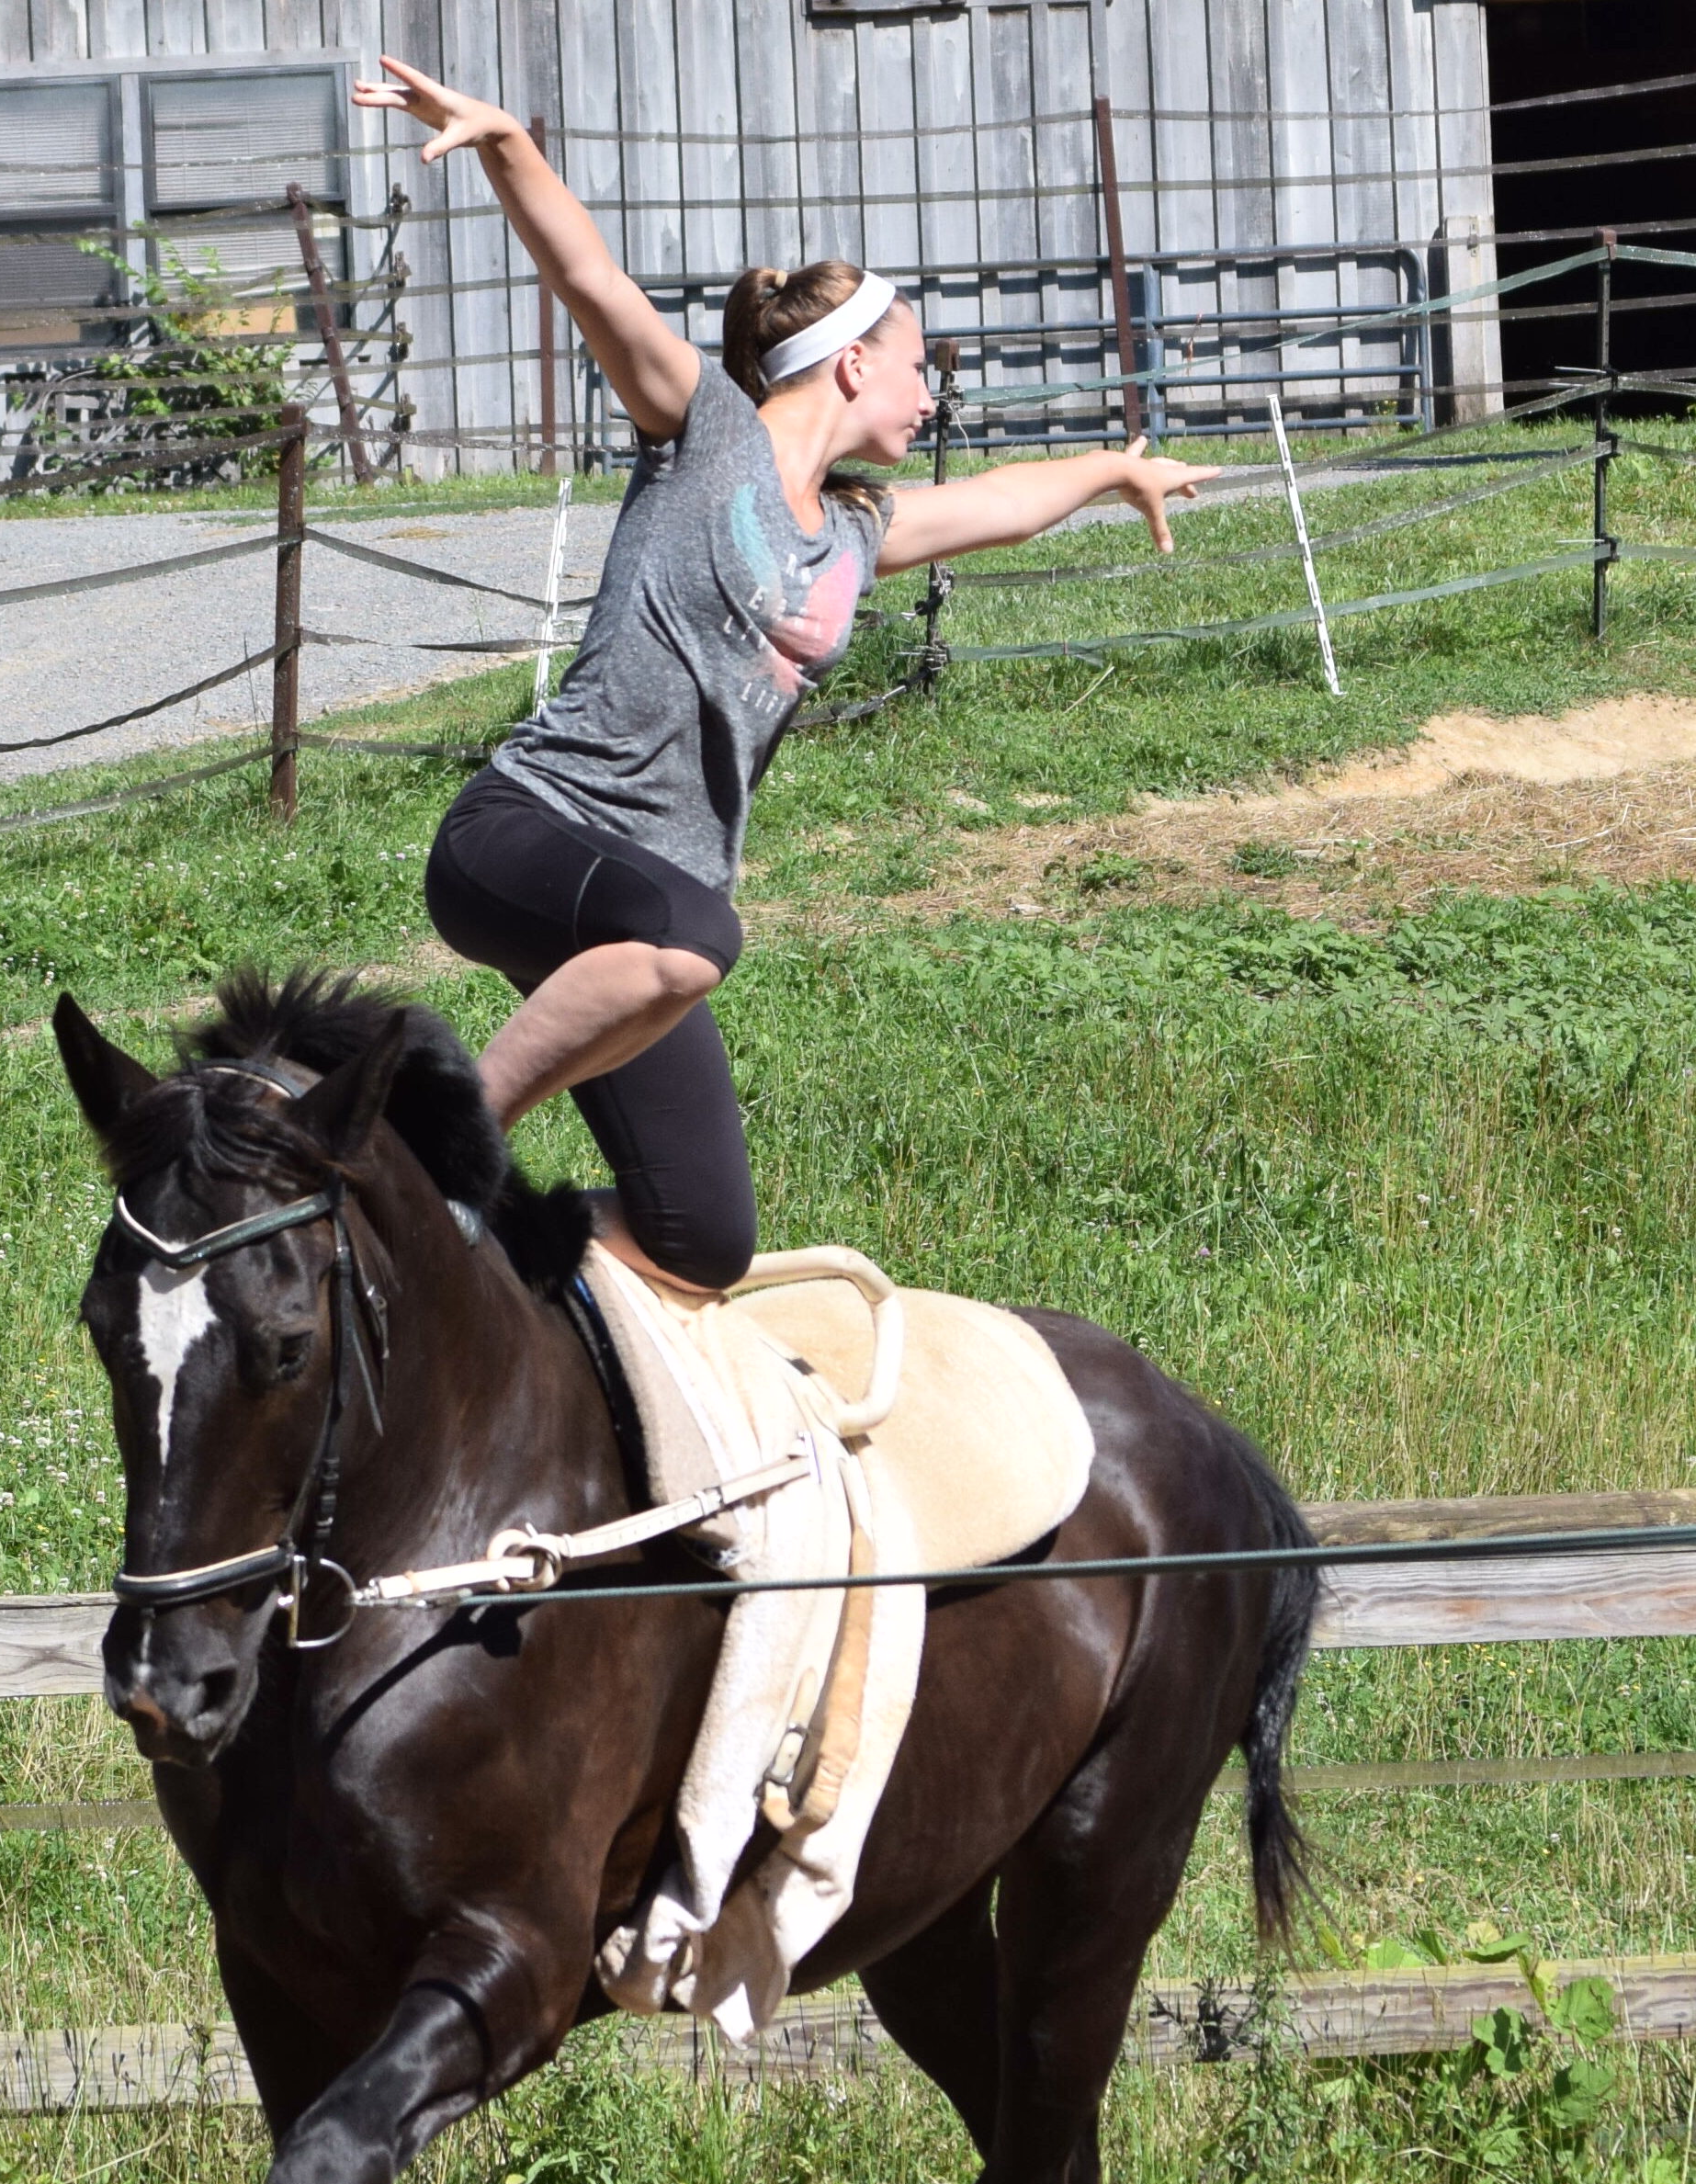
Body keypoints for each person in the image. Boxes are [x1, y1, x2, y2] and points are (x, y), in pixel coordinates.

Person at [355, 56, 1215, 1291]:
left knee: (704, 1242)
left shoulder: (855, 531)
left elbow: (999, 504)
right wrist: (505, 145)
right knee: (697, 931)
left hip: (642, 913)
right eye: (919, 367)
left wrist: (1112, 472)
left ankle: (474, 1274)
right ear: (857, 363)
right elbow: (589, 279)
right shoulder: (699, 431)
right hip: (527, 836)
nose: (931, 394)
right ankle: (428, 1159)